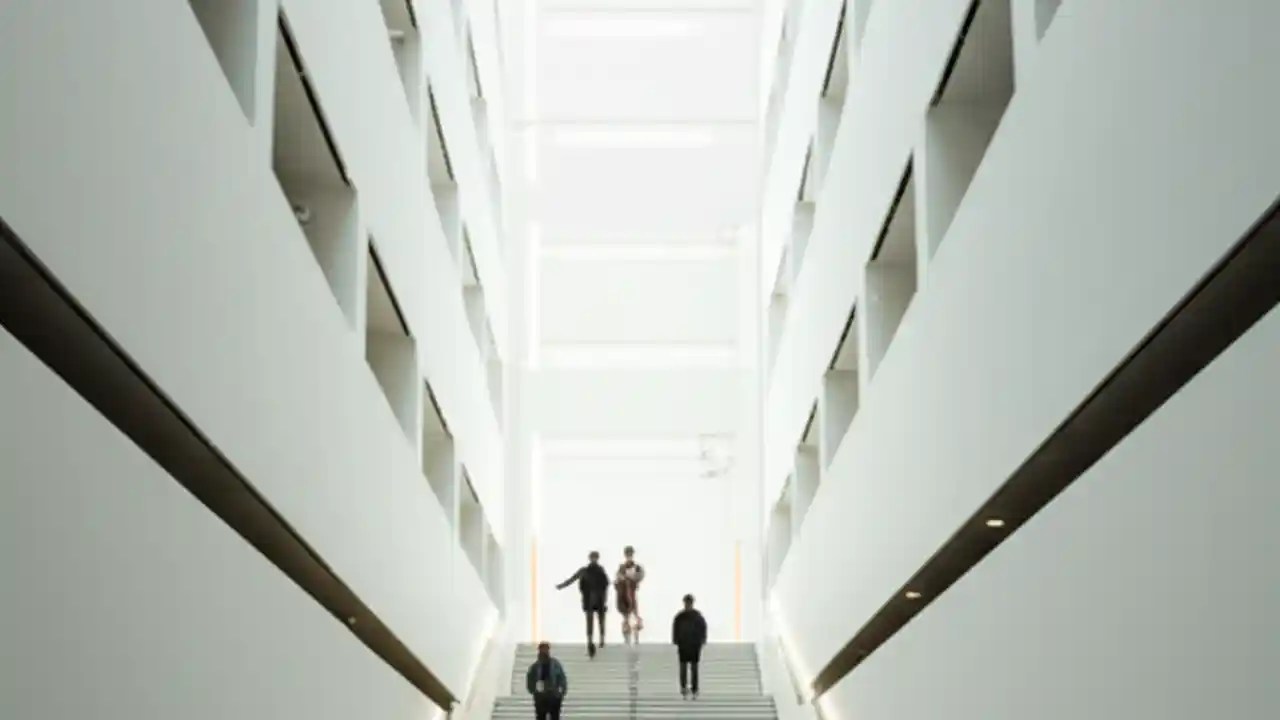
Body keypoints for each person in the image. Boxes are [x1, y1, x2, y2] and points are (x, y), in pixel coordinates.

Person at [555, 550, 611, 657]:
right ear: (590, 558)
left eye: (595, 557)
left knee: (600, 620)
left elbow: (606, 584)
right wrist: (561, 586)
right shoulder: (584, 571)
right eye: (592, 557)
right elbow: (572, 579)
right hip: (589, 599)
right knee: (590, 621)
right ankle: (590, 641)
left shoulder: (600, 570)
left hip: (599, 599)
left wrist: (604, 600)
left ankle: (602, 640)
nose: (594, 559)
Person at [672, 594, 707, 699]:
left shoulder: (695, 616)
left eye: (689, 602)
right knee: (684, 667)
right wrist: (676, 640)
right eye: (687, 602)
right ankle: (684, 687)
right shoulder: (681, 617)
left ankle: (694, 688)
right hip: (684, 645)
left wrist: (702, 640)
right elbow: (675, 630)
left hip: (693, 645)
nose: (688, 604)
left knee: (693, 668)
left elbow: (703, 629)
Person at [525, 641, 568, 720]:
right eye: (542, 650)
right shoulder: (535, 666)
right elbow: (530, 679)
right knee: (541, 717)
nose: (544, 652)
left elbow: (562, 678)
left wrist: (561, 692)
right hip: (540, 697)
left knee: (554, 716)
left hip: (553, 695)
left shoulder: (555, 664)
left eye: (545, 649)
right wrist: (534, 691)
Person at [614, 545, 646, 644]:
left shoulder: (636, 567)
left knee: (634, 612)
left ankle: (636, 637)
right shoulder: (622, 567)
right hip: (624, 593)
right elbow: (618, 578)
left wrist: (633, 579)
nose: (629, 555)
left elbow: (640, 576)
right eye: (627, 554)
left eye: (630, 553)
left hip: (631, 591)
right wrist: (621, 579)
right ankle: (627, 636)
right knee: (626, 615)